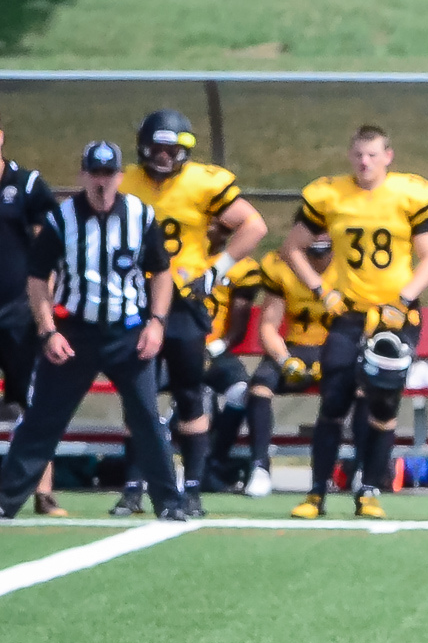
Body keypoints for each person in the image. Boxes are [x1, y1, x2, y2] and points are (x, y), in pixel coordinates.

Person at [0, 142, 184, 521]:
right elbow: (36, 280)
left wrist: (157, 323)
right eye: (95, 173)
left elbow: (161, 272)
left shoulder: (140, 214)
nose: (101, 182)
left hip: (128, 332)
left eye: (108, 173)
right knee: (43, 417)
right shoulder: (60, 219)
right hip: (75, 332)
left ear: (120, 175)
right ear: (82, 174)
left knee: (147, 418)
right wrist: (49, 331)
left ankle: (169, 502)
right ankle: (6, 501)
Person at [281, 124, 428, 520]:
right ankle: (317, 492)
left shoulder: (408, 195)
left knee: (384, 400)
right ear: (350, 156)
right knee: (333, 398)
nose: (364, 162)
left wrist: (403, 300)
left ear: (388, 156)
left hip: (395, 316)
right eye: (358, 155)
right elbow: (292, 247)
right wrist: (322, 291)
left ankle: (369, 489)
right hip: (348, 311)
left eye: (372, 155)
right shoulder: (331, 195)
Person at [118, 109, 268, 518]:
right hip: (134, 298)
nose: (164, 156)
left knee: (189, 394)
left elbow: (253, 226)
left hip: (184, 299)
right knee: (138, 397)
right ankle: (133, 487)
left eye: (173, 149)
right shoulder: (125, 180)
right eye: (158, 147)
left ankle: (193, 488)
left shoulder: (203, 182)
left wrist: (215, 270)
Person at [217, 235, 335, 497]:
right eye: (312, 253)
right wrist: (285, 359)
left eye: (324, 253)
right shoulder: (282, 267)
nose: (318, 261)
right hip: (295, 347)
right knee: (260, 382)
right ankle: (260, 467)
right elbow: (268, 326)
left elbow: (359, 323)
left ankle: (356, 469)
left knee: (358, 388)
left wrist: (333, 360)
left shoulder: (349, 269)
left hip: (336, 347)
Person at [0, 123, 63, 515]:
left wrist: (45, 310)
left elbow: (48, 250)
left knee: (32, 404)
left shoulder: (26, 184)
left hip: (18, 314)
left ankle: (43, 491)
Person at [198, 223, 267, 492]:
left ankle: (214, 461)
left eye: (222, 225)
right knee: (193, 394)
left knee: (240, 391)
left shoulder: (241, 268)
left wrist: (213, 349)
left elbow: (236, 331)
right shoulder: (177, 259)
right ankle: (155, 467)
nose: (214, 230)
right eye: (210, 222)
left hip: (214, 349)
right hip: (174, 346)